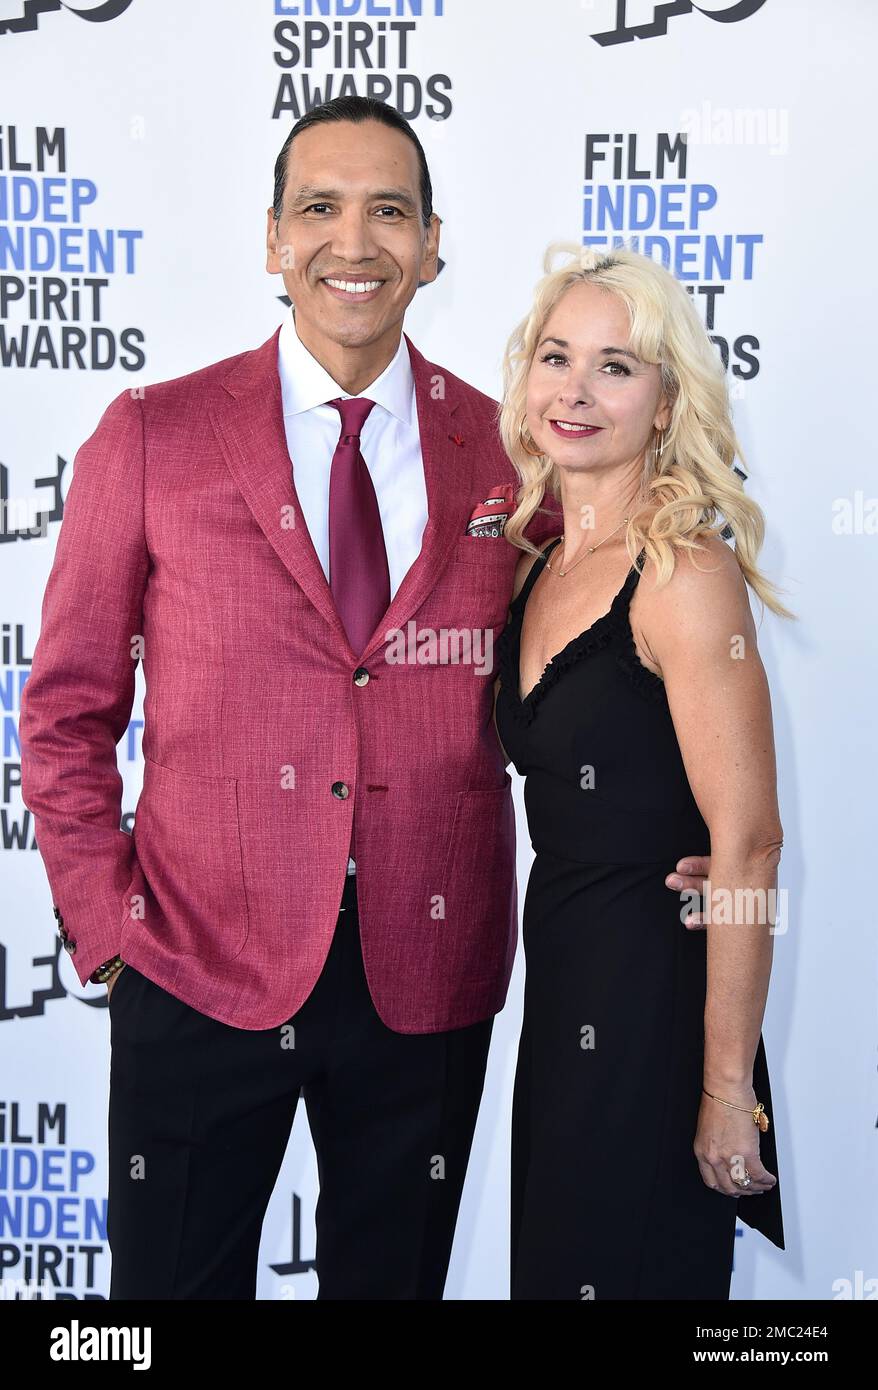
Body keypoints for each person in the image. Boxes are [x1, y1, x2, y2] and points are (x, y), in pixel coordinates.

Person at [19, 99, 711, 1301]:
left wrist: (685, 833)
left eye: (388, 211)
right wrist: (109, 927)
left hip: (425, 969)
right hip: (194, 964)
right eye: (320, 209)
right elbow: (65, 708)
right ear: (274, 240)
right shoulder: (150, 435)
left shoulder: (509, 451)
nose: (355, 241)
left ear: (432, 244)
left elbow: (609, 632)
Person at [493, 242, 789, 1300]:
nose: (573, 390)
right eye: (555, 357)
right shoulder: (537, 561)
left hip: (656, 1005)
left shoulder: (682, 572)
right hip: (565, 981)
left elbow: (748, 839)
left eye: (615, 367)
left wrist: (721, 1090)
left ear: (664, 403)